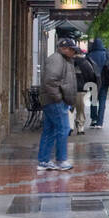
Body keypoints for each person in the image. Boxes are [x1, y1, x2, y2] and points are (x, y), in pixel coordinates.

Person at [38, 37, 77, 171]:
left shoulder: (62, 59)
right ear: (64, 48)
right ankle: (61, 160)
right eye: (72, 50)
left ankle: (43, 161)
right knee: (63, 129)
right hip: (55, 101)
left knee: (50, 130)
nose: (74, 53)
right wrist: (59, 98)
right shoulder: (57, 59)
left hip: (52, 100)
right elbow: (50, 81)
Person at [86, 37, 109, 128]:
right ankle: (100, 122)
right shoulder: (107, 54)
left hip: (93, 81)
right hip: (104, 81)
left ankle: (94, 119)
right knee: (102, 101)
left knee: (93, 100)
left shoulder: (89, 55)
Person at [71, 46, 98, 135]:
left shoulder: (68, 62)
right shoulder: (86, 63)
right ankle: (80, 128)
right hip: (82, 89)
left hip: (69, 90)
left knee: (69, 109)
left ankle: (69, 127)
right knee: (80, 110)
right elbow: (91, 76)